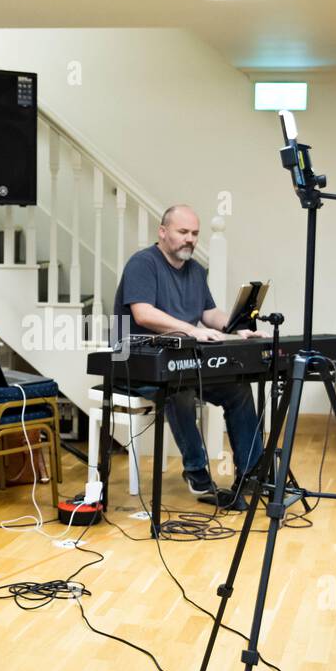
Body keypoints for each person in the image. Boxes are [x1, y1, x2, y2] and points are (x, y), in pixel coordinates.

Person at [111, 204, 263, 507]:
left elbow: (209, 313)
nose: (190, 239)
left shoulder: (195, 270)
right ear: (163, 232)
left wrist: (238, 328)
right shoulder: (143, 263)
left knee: (238, 390)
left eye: (194, 233)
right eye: (183, 232)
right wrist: (189, 331)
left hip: (181, 359)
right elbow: (143, 314)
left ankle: (252, 475)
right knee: (179, 390)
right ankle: (196, 471)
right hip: (136, 362)